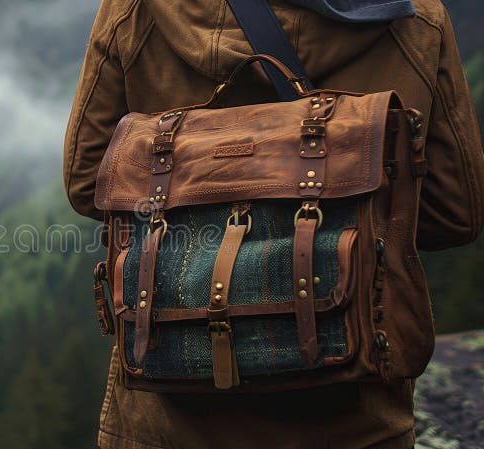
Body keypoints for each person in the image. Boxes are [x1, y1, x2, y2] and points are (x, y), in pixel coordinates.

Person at [63, 0, 484, 448]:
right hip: (354, 418)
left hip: (166, 419)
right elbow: (453, 213)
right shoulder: (414, 16)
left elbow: (89, 181)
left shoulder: (136, 9)